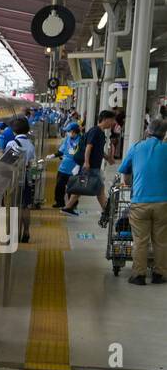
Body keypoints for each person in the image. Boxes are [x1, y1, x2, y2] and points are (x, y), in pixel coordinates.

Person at [117, 117, 167, 284]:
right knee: (161, 241)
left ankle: (139, 275)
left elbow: (124, 171)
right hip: (163, 202)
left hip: (140, 202)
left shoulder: (137, 147)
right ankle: (160, 274)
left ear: (148, 131)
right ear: (164, 134)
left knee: (140, 240)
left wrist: (131, 184)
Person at [62, 109, 118, 217]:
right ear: (105, 120)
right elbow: (89, 147)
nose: (113, 123)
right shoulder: (95, 131)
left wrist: (108, 158)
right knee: (98, 188)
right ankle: (107, 211)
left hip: (93, 165)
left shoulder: (100, 133)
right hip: (91, 166)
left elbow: (98, 151)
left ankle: (67, 207)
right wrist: (86, 162)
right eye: (112, 120)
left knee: (84, 186)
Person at [53, 121, 83, 207]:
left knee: (72, 188)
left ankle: (72, 205)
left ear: (74, 131)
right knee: (59, 186)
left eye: (69, 131)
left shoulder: (81, 141)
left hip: (74, 169)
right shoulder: (67, 139)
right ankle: (59, 202)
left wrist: (79, 165)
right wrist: (53, 155)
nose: (67, 133)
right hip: (63, 167)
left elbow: (81, 154)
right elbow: (61, 150)